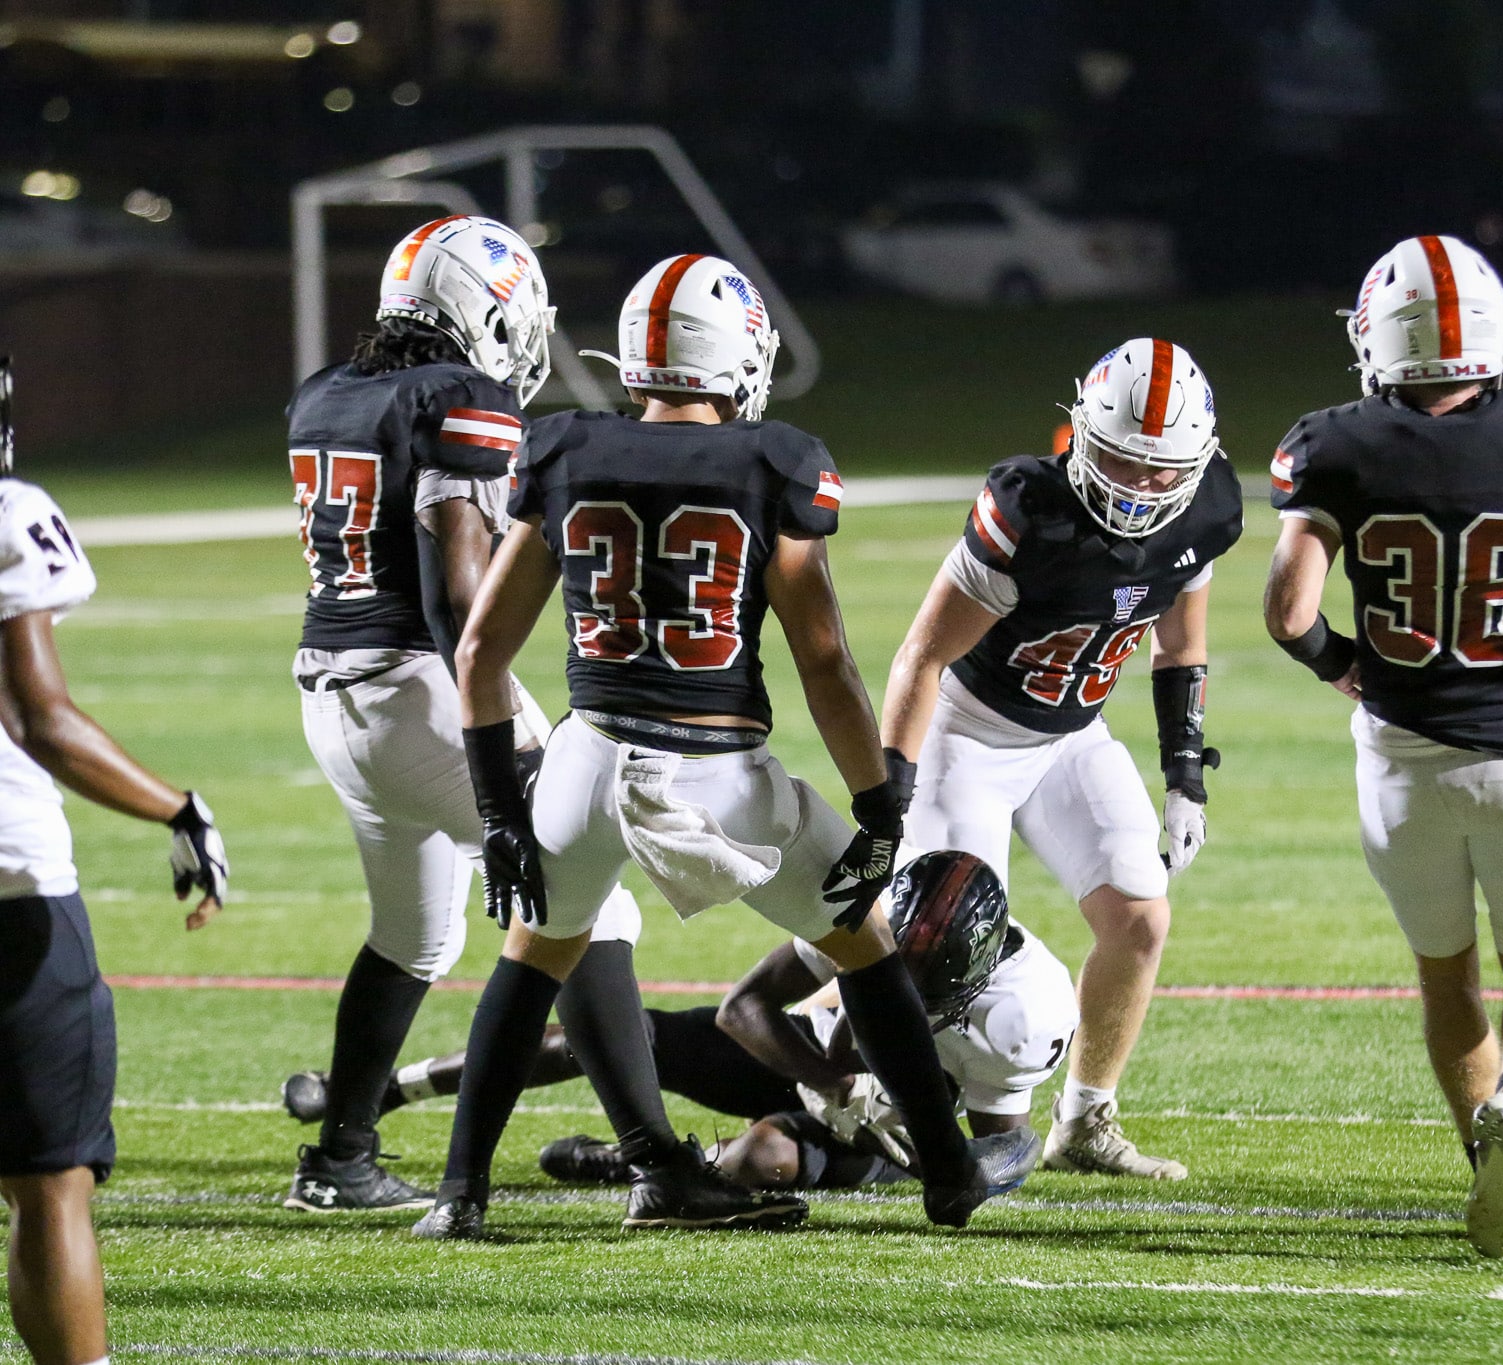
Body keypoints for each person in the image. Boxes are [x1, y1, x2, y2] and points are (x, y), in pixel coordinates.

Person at [415, 254, 1037, 1241]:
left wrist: (500, 808)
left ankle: (459, 1196)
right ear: (735, 358)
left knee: (533, 955)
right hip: (718, 774)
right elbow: (824, 661)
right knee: (863, 939)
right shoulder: (772, 460)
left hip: (587, 761)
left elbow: (483, 648)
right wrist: (879, 798)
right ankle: (949, 1172)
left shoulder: (565, 448)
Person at [1261, 235, 1503, 1256]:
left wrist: (1343, 661)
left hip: (1396, 758)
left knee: (1444, 977)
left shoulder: (1331, 443)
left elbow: (1287, 609)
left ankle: (1485, 1168)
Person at [284, 216, 640, 1214]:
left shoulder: (324, 394)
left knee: (413, 935)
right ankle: (658, 1161)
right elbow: (456, 587)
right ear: (480, 313)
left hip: (333, 693)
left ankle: (340, 1156)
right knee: (585, 902)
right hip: (423, 689)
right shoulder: (463, 398)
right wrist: (500, 749)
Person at [879, 338, 1241, 1181]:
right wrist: (891, 784)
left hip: (1068, 736)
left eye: (1162, 470)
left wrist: (1185, 772)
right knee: (934, 947)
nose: (1139, 485)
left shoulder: (1210, 506)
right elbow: (921, 657)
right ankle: (855, 1082)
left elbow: (1180, 642)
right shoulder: (1028, 511)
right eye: (1119, 459)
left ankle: (1084, 1118)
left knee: (1140, 919)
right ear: (1081, 434)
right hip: (966, 736)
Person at [283, 851, 1078, 1195]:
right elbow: (745, 1008)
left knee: (767, 1153)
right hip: (821, 1059)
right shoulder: (870, 919)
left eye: (911, 988)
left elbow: (976, 1160)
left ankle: (659, 1164)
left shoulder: (1021, 1015)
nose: (890, 994)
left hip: (890, 1122)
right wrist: (828, 1075)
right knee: (624, 1035)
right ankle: (390, 1089)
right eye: (882, 974)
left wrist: (901, 1135)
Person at [0, 358, 230, 1364]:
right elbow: (42, 717)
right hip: (9, 888)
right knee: (49, 1182)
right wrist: (178, 809)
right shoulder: (10, 512)